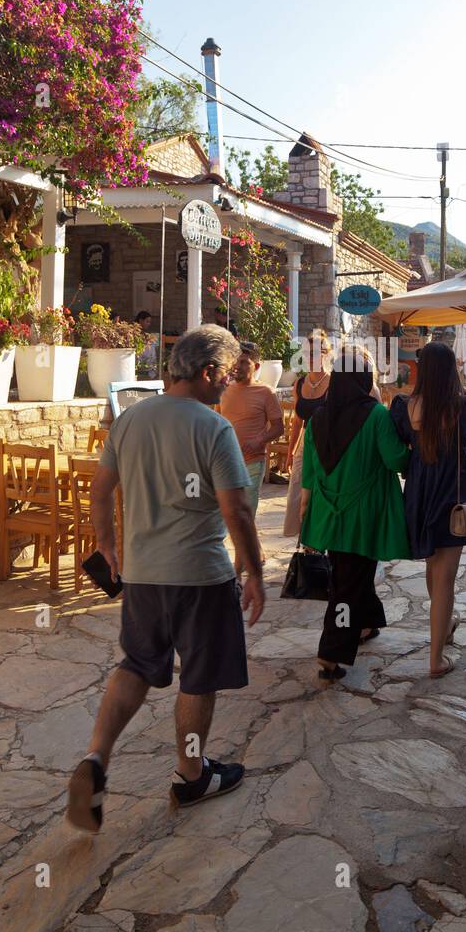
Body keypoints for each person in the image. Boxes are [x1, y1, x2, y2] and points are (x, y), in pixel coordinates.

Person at [67, 326, 264, 832]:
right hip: (199, 575)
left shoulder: (130, 419)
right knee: (199, 678)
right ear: (207, 373)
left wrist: (107, 544)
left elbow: (100, 489)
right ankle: (191, 774)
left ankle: (95, 758)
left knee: (136, 664)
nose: (230, 383)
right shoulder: (213, 428)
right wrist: (255, 573)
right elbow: (237, 510)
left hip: (142, 576)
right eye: (228, 373)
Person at [391, 343, 466, 679]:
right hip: (452, 493)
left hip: (419, 493)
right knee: (446, 578)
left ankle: (446, 624)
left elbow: (404, 453)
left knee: (432, 565)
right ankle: (436, 658)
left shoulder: (405, 405)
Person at [300, 347, 410, 684]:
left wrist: (306, 518)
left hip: (328, 516)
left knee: (351, 576)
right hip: (363, 518)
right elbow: (396, 462)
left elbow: (308, 474)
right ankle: (330, 653)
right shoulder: (376, 416)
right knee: (347, 586)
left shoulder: (317, 417)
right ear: (363, 381)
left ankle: (367, 623)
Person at [220, 342, 284, 522]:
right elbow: (217, 422)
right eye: (236, 361)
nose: (237, 366)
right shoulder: (224, 390)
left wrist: (259, 440)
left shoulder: (266, 392)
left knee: (246, 517)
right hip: (226, 461)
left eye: (244, 362)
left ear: (255, 366)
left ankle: (250, 550)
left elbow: (278, 427)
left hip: (252, 462)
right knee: (224, 516)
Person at [283, 329, 331, 539]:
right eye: (307, 353)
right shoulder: (299, 383)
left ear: (326, 354)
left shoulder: (334, 382)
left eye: (315, 353)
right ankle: (302, 537)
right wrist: (290, 450)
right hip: (305, 442)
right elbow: (297, 420)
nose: (310, 358)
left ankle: (321, 535)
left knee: (321, 492)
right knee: (297, 491)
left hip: (327, 443)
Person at [135, 310, 159, 378]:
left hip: (149, 368)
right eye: (147, 321)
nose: (149, 324)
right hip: (140, 367)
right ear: (140, 320)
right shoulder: (134, 334)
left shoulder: (149, 335)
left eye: (150, 322)